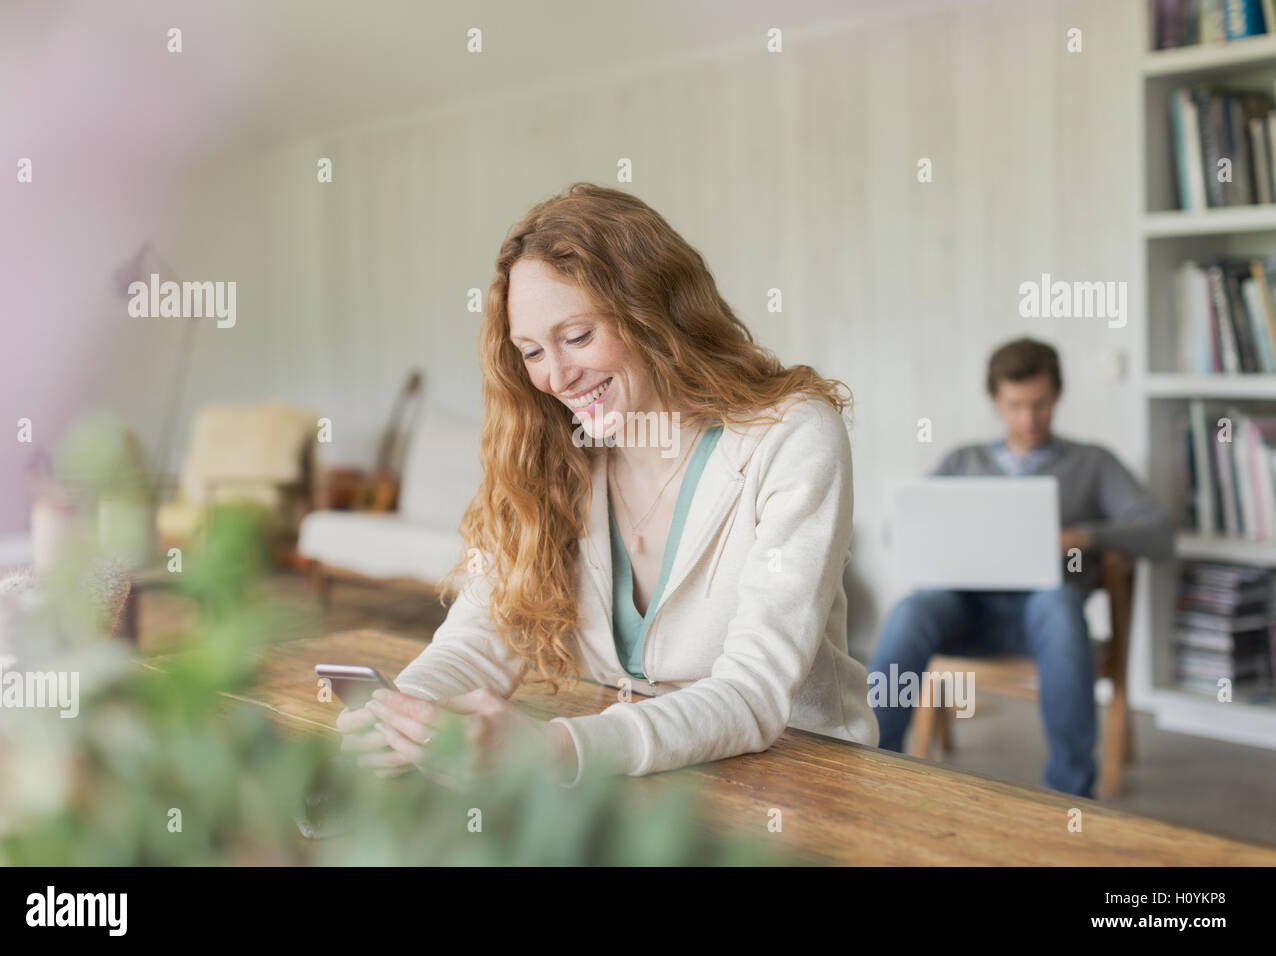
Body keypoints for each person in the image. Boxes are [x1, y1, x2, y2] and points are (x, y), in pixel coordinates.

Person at [337, 182, 878, 786]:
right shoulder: (551, 458)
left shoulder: (791, 435)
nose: (558, 377)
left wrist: (552, 748)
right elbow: (479, 639)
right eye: (532, 351)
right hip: (637, 775)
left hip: (800, 778)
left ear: (655, 311)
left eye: (578, 337)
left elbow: (753, 691)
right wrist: (400, 713)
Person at [868, 337, 1174, 798]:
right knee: (912, 609)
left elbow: (1158, 532)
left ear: (1058, 397)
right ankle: (876, 768)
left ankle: (1071, 794)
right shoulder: (963, 461)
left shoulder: (1093, 464)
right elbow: (906, 534)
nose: (1028, 419)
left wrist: (1083, 537)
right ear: (996, 401)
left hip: (1047, 626)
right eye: (1015, 406)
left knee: (1056, 603)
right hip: (962, 615)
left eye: (1040, 405)